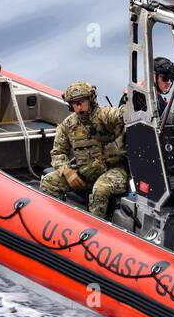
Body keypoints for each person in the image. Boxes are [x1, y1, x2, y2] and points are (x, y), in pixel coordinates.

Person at [39, 80, 129, 219]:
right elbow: (58, 153)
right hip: (87, 171)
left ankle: (95, 228)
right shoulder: (68, 125)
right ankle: (57, 219)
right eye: (75, 103)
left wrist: (131, 103)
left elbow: (119, 114)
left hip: (113, 170)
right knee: (49, 182)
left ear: (91, 100)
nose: (79, 106)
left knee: (100, 189)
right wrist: (68, 172)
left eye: (82, 101)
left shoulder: (102, 115)